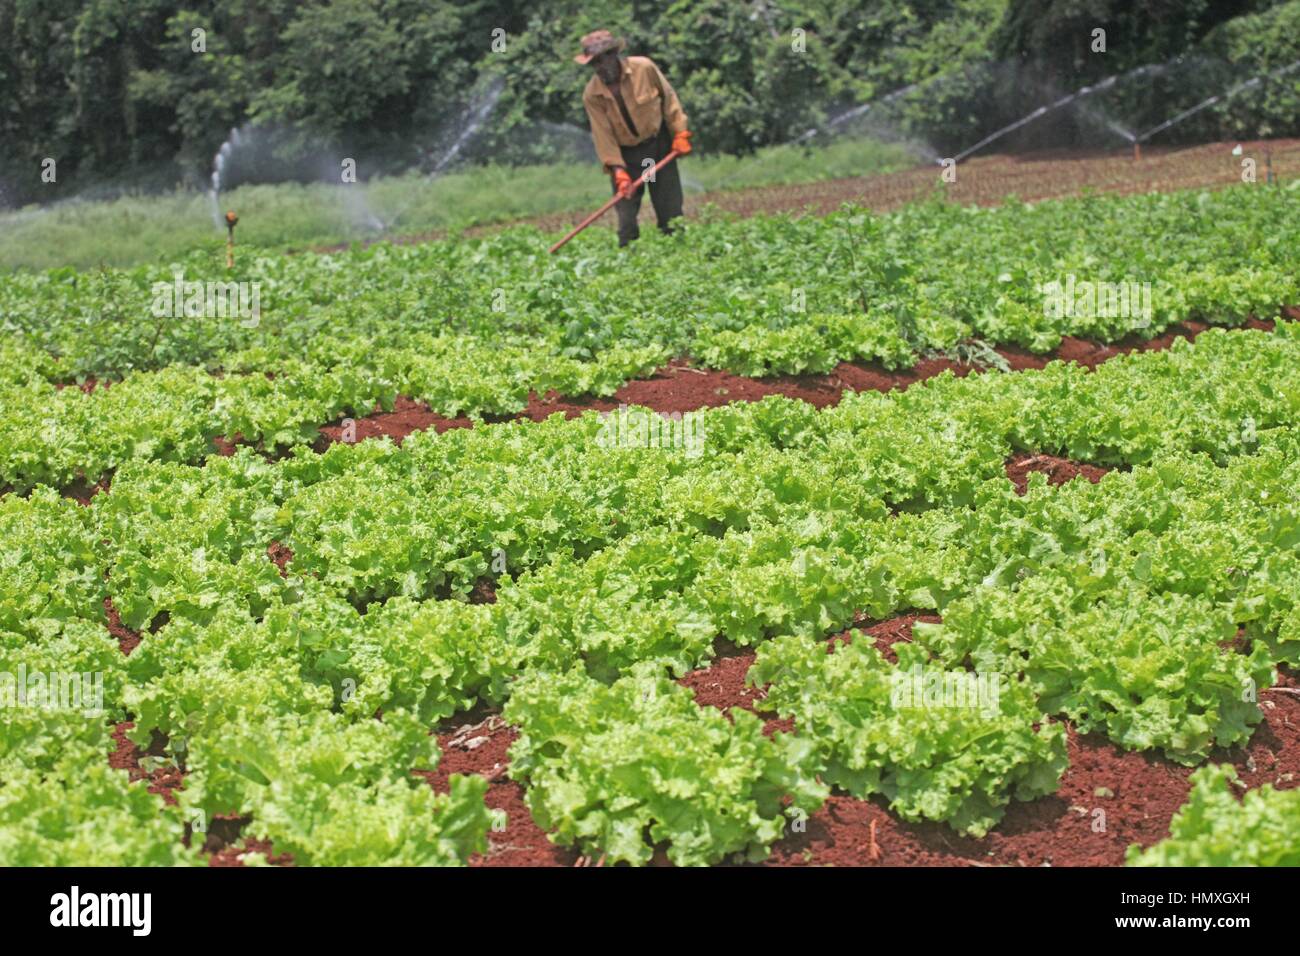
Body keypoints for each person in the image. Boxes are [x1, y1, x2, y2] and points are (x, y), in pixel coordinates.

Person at [575, 30, 693, 246]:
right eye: (594, 63)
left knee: (671, 213)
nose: (600, 67)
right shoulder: (592, 94)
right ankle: (629, 262)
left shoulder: (644, 68)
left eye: (603, 60)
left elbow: (669, 100)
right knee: (626, 219)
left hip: (658, 146)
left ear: (614, 54)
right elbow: (603, 134)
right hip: (626, 157)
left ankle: (677, 254)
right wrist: (618, 170)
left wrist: (680, 132)